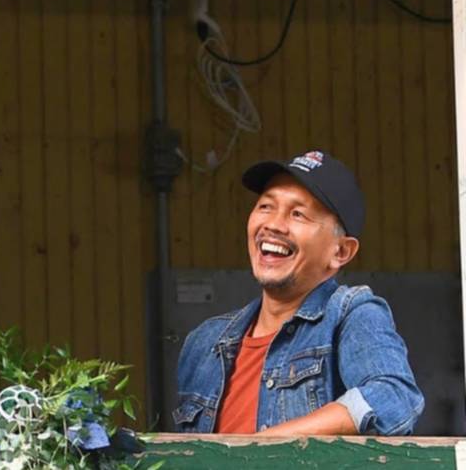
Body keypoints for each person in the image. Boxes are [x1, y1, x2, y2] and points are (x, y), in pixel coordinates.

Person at [175, 150, 423, 436]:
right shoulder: (203, 342)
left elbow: (394, 396)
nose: (273, 224)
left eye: (298, 214)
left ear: (340, 251)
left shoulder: (350, 315)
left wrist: (267, 444)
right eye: (266, 206)